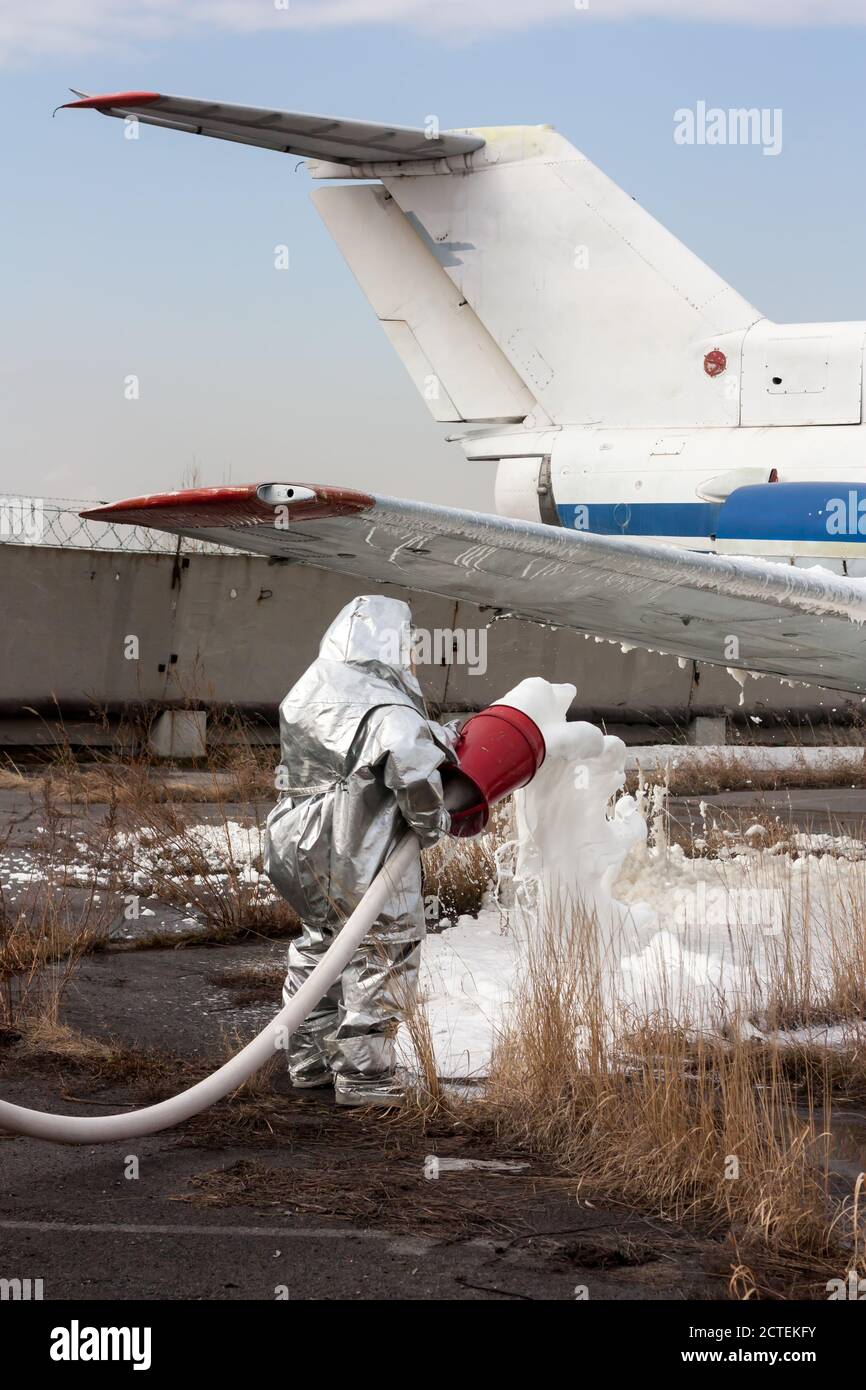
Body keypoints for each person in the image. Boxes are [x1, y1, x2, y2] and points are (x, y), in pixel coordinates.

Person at [264, 595, 457, 1106]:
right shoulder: (385, 703)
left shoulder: (308, 690)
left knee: (319, 944)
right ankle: (365, 1076)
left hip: (295, 841)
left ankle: (307, 1061)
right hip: (355, 843)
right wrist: (435, 823)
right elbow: (409, 766)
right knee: (382, 948)